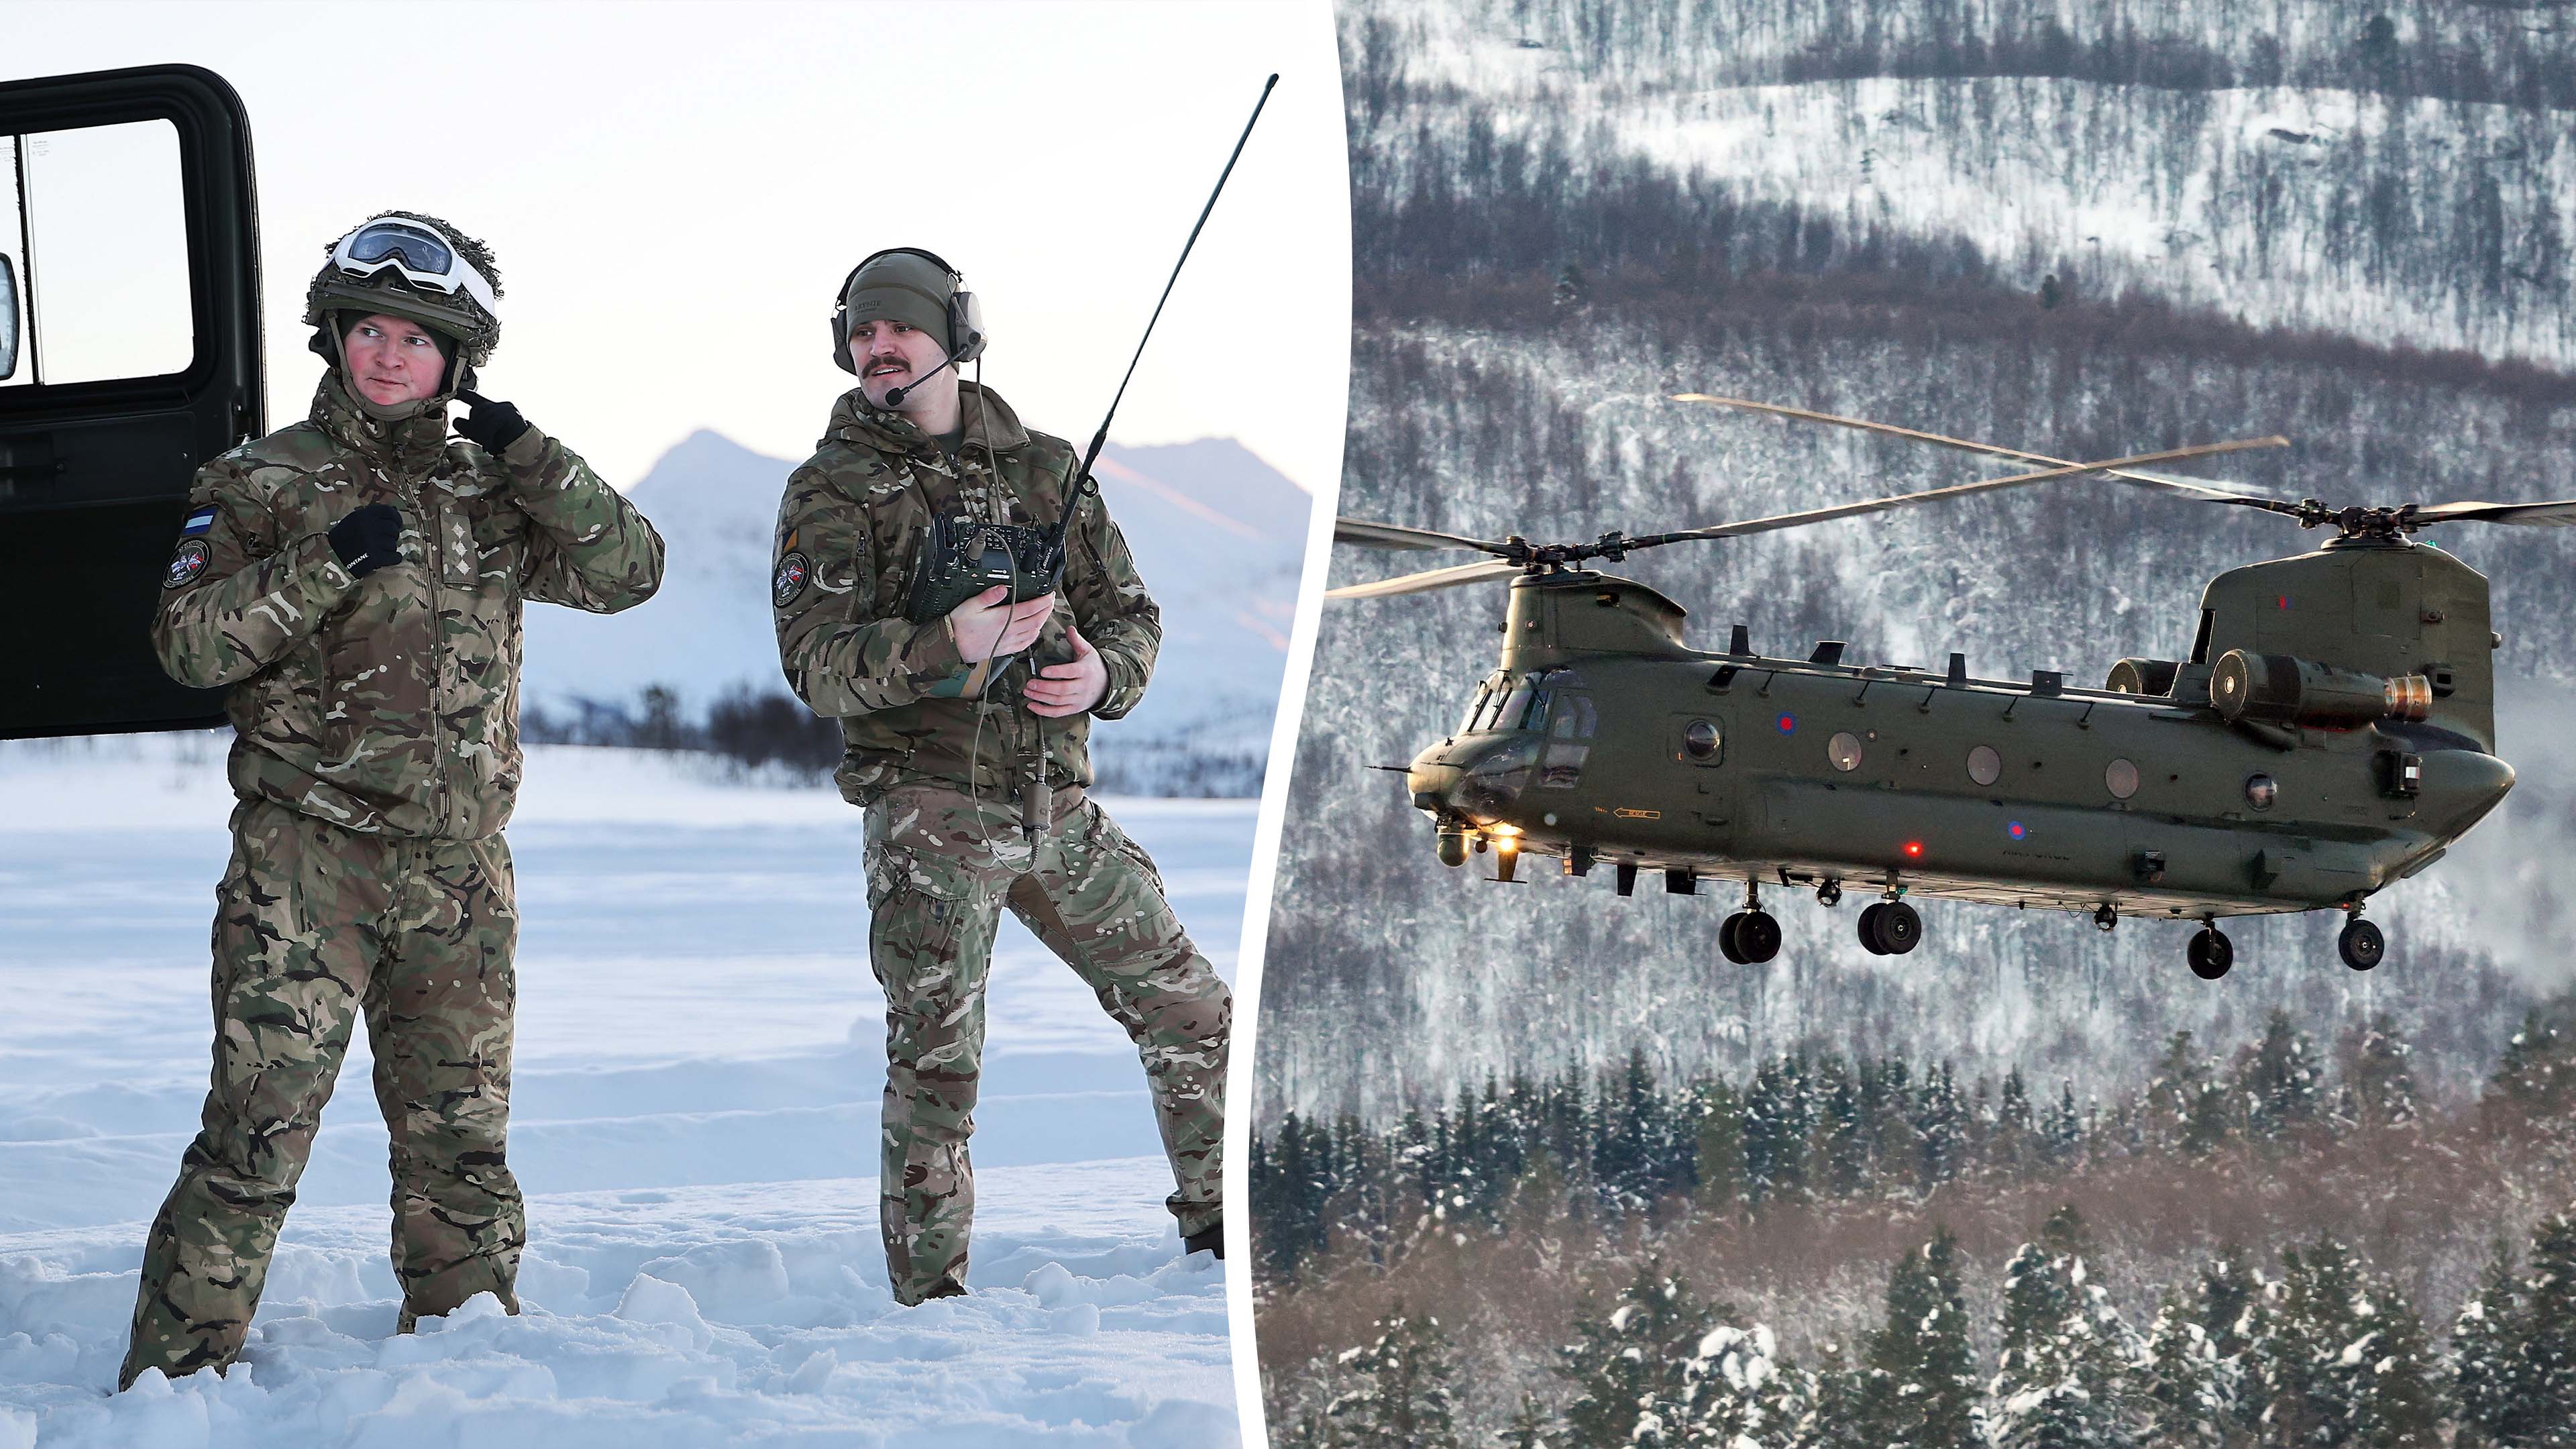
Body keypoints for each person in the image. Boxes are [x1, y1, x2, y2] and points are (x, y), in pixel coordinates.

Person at [120, 213, 664, 1388]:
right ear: (335, 339)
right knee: (257, 1135)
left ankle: (463, 1375)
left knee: (460, 1146)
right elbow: (188, 645)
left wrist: (534, 457)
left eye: (415, 339)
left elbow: (632, 572)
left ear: (457, 359)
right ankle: (171, 1382)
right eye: (368, 330)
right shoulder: (262, 481)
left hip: (461, 870)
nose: (386, 356)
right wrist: (325, 562)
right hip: (308, 864)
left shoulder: (492, 493)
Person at [771, 248, 1229, 1304]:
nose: (879, 351)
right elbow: (818, 665)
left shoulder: (1045, 468)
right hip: (932, 818)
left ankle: (1225, 1240)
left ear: (952, 337)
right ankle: (931, 1309)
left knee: (1197, 1018)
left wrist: (1104, 675)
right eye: (862, 336)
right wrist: (949, 644)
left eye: (900, 332)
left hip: (1059, 809)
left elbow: (1133, 616)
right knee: (938, 1072)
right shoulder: (832, 489)